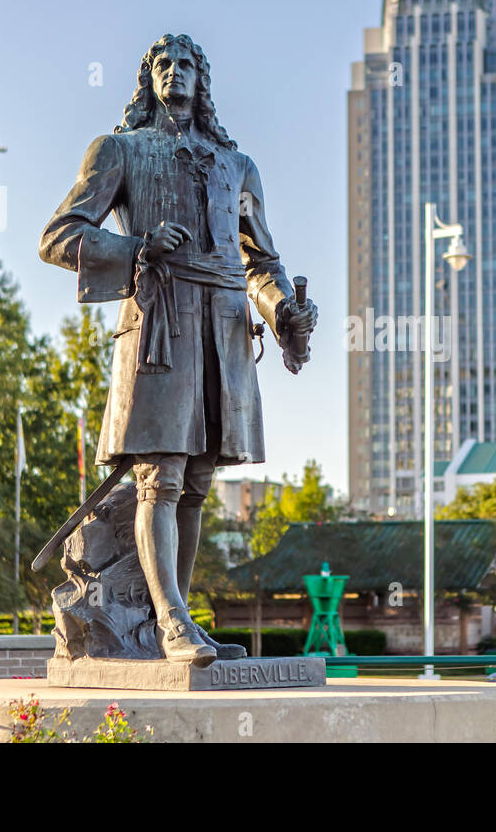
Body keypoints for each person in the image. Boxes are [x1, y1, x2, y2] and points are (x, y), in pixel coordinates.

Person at [39, 33, 317, 664]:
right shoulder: (119, 150)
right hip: (159, 322)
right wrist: (137, 249)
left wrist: (284, 313)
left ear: (203, 79)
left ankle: (180, 621)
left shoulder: (238, 165)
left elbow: (261, 262)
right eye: (161, 65)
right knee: (158, 478)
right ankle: (168, 624)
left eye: (186, 64)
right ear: (148, 81)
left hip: (222, 328)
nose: (174, 73)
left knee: (195, 480)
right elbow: (58, 236)